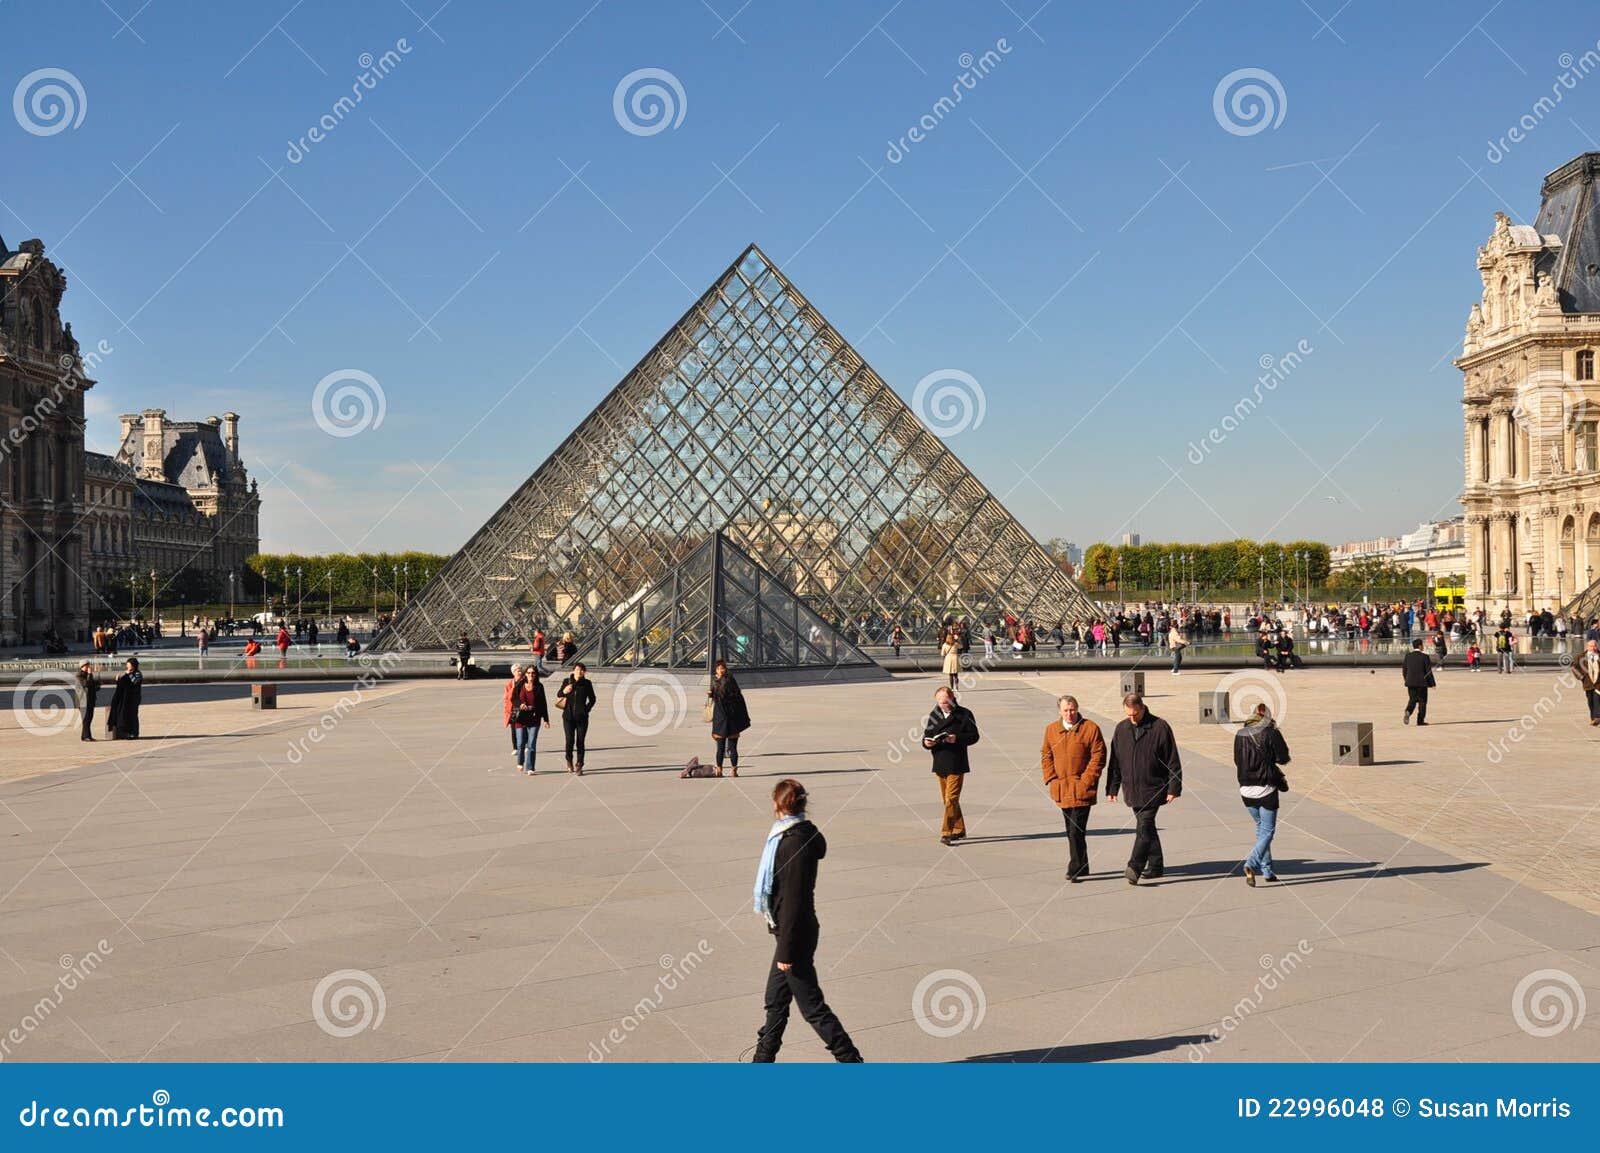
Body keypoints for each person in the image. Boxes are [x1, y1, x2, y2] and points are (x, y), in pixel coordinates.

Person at [750, 779, 862, 1063]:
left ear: (780, 804)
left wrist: (787, 951)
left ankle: (851, 1060)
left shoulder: (794, 844)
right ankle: (762, 1060)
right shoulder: (790, 835)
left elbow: (794, 902)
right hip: (788, 932)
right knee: (775, 1000)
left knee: (811, 1006)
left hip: (794, 934)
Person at [1106, 693, 1181, 884]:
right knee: (1147, 827)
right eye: (1128, 715)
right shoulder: (1121, 728)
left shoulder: (1160, 727)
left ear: (1142, 708)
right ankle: (1156, 865)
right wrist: (1112, 787)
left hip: (1154, 787)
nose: (1132, 719)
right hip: (1131, 788)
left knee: (1143, 827)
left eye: (1135, 714)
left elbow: (1172, 759)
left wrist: (1174, 787)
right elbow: (1115, 761)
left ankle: (1135, 866)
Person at [1040, 694, 1105, 882]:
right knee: (1071, 829)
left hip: (1082, 789)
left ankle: (1075, 867)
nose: (1070, 714)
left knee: (1076, 829)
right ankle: (1083, 864)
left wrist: (1086, 781)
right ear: (1059, 711)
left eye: (1073, 709)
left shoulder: (1090, 728)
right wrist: (1051, 778)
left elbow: (1098, 756)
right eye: (1066, 710)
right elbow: (1046, 754)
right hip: (1062, 788)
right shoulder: (1051, 730)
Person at [1234, 703, 1290, 886]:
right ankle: (1251, 863)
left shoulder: (1240, 734)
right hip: (1266, 787)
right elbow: (1284, 758)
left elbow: (1237, 760)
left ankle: (1268, 871)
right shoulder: (1271, 732)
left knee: (1261, 828)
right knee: (1268, 830)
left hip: (1245, 789)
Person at [923, 685, 979, 845]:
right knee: (948, 800)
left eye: (945, 702)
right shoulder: (934, 714)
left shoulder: (965, 714)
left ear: (953, 699)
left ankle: (946, 832)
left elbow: (974, 736)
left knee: (951, 798)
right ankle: (958, 829)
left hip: (956, 762)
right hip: (940, 761)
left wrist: (957, 738)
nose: (943, 706)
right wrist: (926, 743)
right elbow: (927, 734)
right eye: (940, 703)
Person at [709, 659, 752, 777]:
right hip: (724, 717)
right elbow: (735, 695)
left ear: (725, 669)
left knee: (730, 747)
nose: (720, 670)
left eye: (722, 668)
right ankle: (721, 770)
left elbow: (727, 694)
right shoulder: (718, 680)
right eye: (718, 668)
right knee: (722, 748)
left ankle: (732, 770)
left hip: (726, 717)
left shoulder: (725, 680)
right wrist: (711, 693)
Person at [506, 667, 551, 774]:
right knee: (521, 743)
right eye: (529, 673)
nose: (531, 675)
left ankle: (530, 767)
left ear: (536, 675)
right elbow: (513, 698)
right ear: (525, 674)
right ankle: (520, 762)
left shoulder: (539, 687)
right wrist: (520, 704)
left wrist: (546, 719)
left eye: (533, 673)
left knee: (531, 745)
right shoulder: (520, 685)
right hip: (520, 718)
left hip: (534, 718)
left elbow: (543, 703)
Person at [555, 662, 597, 774]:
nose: (580, 672)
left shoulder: (587, 683)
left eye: (582, 670)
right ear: (573, 671)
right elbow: (559, 694)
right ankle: (569, 760)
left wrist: (586, 710)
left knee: (580, 741)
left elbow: (592, 699)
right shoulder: (566, 681)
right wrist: (564, 691)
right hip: (568, 717)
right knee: (569, 741)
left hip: (582, 718)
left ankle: (579, 764)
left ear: (585, 672)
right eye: (578, 669)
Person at [106, 657, 143, 740]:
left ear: (133, 666)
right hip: (127, 699)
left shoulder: (137, 673)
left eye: (129, 665)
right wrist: (118, 680)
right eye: (127, 665)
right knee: (126, 715)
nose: (128, 667)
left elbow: (135, 682)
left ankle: (134, 733)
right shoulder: (129, 672)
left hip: (134, 698)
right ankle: (125, 732)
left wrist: (128, 674)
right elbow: (124, 685)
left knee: (133, 715)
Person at [1402, 637, 1436, 726]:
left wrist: (1407, 679)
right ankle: (1420, 721)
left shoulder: (1408, 656)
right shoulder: (1425, 657)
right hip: (1422, 683)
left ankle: (1408, 711)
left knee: (1412, 699)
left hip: (1410, 682)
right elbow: (1428, 671)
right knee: (1422, 702)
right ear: (1420, 646)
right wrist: (1432, 683)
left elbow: (1404, 670)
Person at [502, 663, 525, 759]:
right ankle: (515, 747)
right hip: (513, 709)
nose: (519, 672)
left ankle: (525, 745)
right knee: (514, 729)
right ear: (513, 673)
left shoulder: (525, 682)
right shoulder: (509, 684)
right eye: (517, 671)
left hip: (523, 708)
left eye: (520, 670)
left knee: (524, 728)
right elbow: (507, 697)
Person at [1577, 639, 1600, 727]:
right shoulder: (1581, 657)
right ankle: (1593, 718)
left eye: (1594, 646)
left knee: (1597, 699)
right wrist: (1581, 677)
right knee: (1590, 701)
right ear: (1588, 647)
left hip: (1598, 683)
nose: (1593, 648)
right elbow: (1574, 667)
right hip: (1588, 683)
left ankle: (1597, 716)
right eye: (1591, 646)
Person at [75, 661, 100, 742]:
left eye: (89, 666)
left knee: (89, 718)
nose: (89, 668)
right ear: (82, 666)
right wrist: (90, 674)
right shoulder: (79, 675)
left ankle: (85, 736)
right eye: (87, 666)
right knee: (86, 719)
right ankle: (86, 736)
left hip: (90, 700)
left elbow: (93, 686)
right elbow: (86, 684)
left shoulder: (88, 675)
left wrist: (97, 684)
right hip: (83, 701)